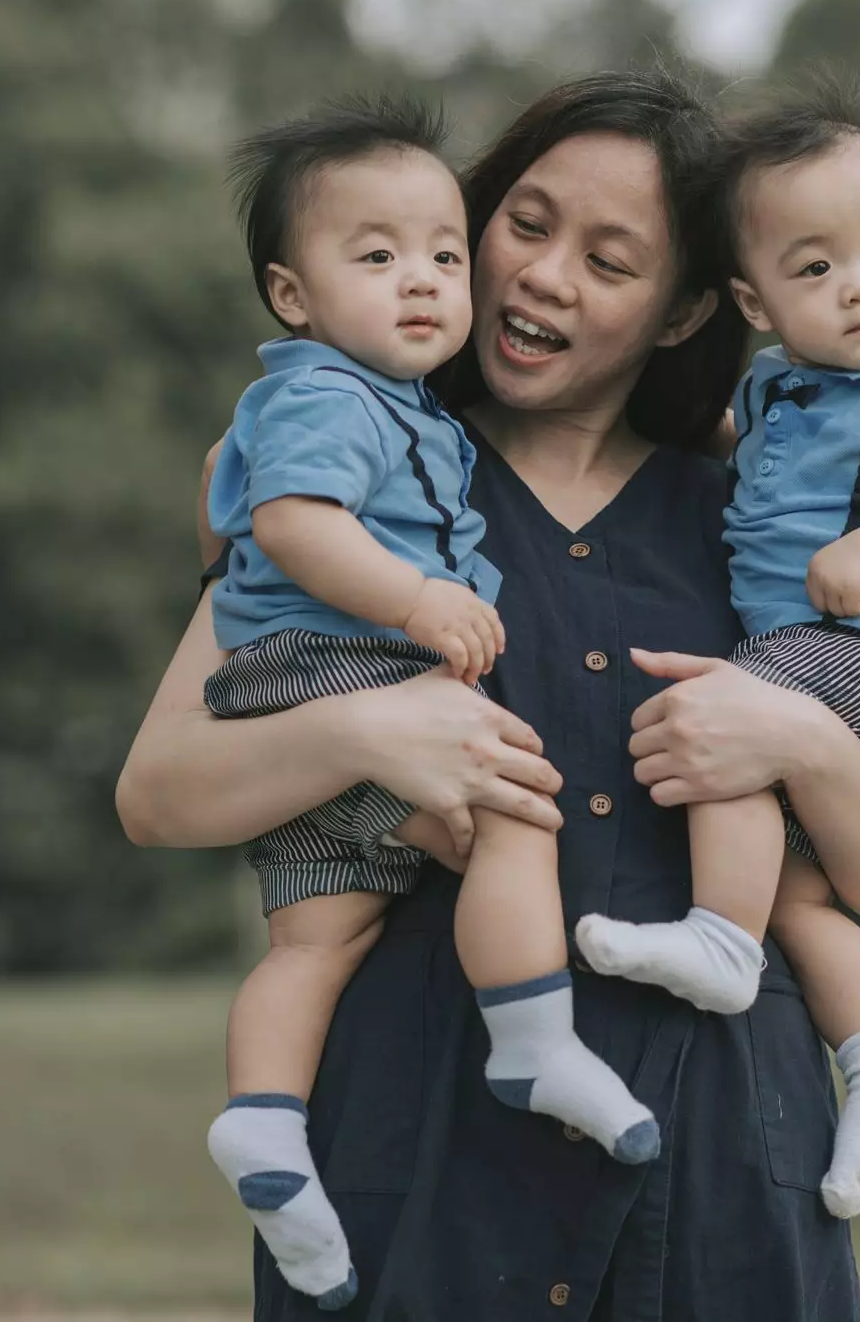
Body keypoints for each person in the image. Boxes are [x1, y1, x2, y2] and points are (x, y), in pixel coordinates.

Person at [121, 68, 860, 1321]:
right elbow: (156, 793)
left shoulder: (762, 521)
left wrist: (800, 737)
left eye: (609, 261)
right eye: (524, 222)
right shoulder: (344, 494)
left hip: (721, 1180)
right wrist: (362, 727)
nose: (545, 275)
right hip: (420, 1171)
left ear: (681, 314)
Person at [203, 96, 658, 1313]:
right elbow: (295, 523)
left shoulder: (369, 409)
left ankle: (260, 1124)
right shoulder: (334, 400)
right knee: (507, 799)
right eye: (376, 256)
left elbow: (240, 491)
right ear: (291, 294)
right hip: (330, 674)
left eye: (440, 255)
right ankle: (533, 1037)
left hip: (295, 691)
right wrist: (413, 605)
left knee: (311, 941)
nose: (423, 281)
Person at [571, 75, 860, 1220]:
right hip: (821, 665)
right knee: (804, 895)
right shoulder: (779, 389)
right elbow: (746, 455)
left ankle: (717, 940)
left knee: (729, 718)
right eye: (816, 267)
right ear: (755, 299)